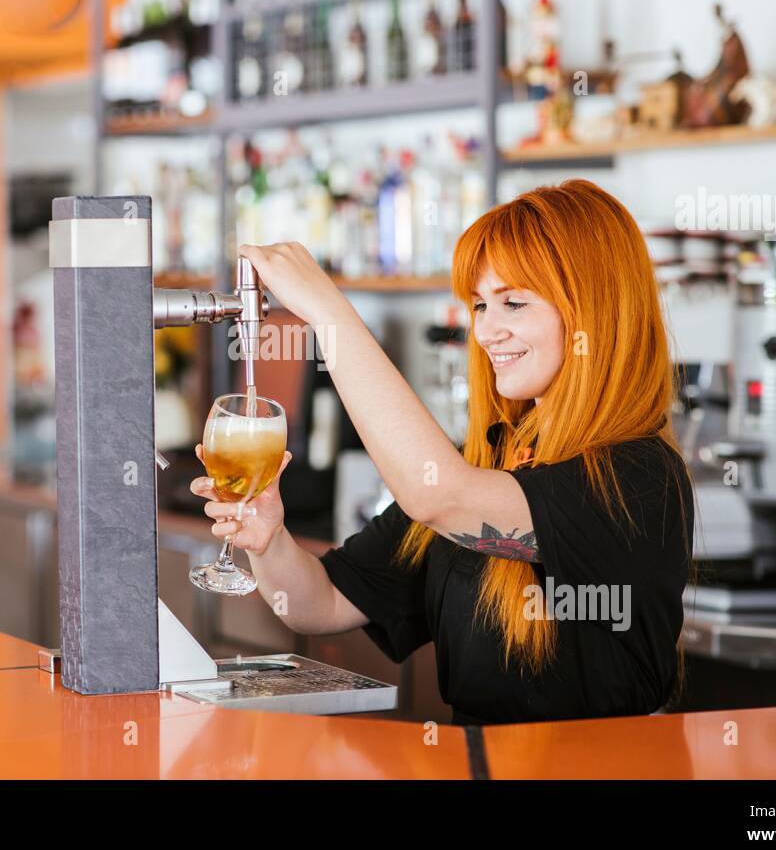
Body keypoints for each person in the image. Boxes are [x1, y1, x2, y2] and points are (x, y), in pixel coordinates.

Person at [190, 178, 694, 726]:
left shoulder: (638, 475)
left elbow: (440, 498)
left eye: (514, 303)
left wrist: (330, 317)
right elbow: (323, 602)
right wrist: (269, 540)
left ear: (595, 312)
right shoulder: (488, 458)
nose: (487, 331)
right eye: (480, 305)